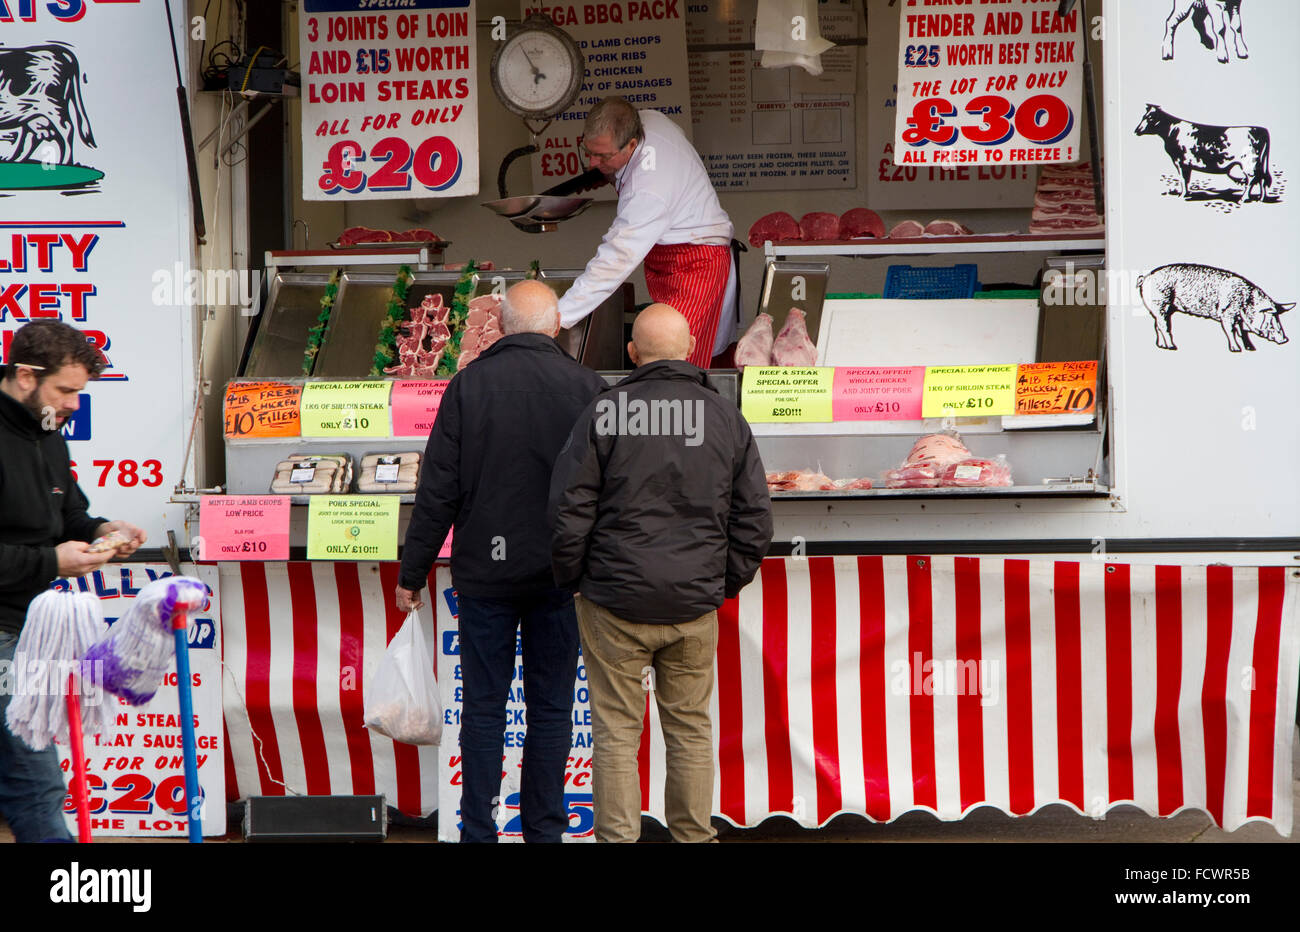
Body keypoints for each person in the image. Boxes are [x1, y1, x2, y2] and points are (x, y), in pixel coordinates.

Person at [549, 304, 772, 842]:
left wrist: (576, 580)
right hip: (693, 603)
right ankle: (695, 838)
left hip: (613, 602)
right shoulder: (724, 417)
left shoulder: (607, 412)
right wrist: (721, 585)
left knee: (617, 733)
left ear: (633, 353)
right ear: (691, 346)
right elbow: (755, 519)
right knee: (691, 729)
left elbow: (568, 510)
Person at [395, 280, 607, 843]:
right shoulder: (588, 386)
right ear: (556, 326)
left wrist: (411, 572)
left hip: (486, 575)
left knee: (485, 711)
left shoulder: (468, 386)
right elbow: (609, 490)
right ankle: (545, 833)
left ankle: (478, 834)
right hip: (562, 576)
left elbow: (437, 489)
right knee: (552, 710)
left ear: (502, 326)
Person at [0, 320, 146, 843]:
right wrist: (50, 563)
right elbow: (46, 549)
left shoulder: (46, 435)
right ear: (24, 375)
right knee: (33, 778)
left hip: (28, 628)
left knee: (29, 776)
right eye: (66, 390)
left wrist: (104, 531)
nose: (73, 405)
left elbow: (70, 515)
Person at [556, 97, 737, 369]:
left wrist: (558, 317)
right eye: (588, 152)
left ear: (631, 145)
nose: (592, 162)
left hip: (696, 265)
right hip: (673, 256)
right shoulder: (650, 119)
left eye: (603, 156)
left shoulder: (648, 190)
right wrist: (611, 171)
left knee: (671, 363)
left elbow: (614, 261)